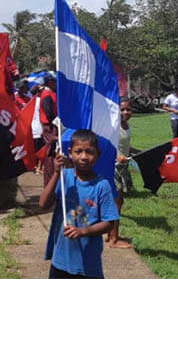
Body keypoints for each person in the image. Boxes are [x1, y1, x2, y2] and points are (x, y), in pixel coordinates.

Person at [39, 129, 119, 278]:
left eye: (89, 152)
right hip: (60, 259)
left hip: (87, 263)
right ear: (69, 152)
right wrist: (56, 173)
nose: (83, 157)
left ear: (98, 155)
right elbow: (43, 204)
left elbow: (109, 223)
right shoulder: (64, 178)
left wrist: (83, 231)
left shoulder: (102, 185)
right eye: (78, 151)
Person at [107, 99, 140, 248]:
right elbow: (107, 145)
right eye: (122, 110)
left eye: (128, 109)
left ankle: (110, 234)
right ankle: (114, 239)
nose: (125, 112)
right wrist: (116, 156)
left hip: (123, 167)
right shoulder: (114, 126)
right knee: (116, 202)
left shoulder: (126, 126)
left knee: (118, 201)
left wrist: (139, 152)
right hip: (113, 167)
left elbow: (124, 146)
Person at [39, 72, 59, 187]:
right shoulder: (46, 94)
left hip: (51, 126)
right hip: (49, 127)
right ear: (50, 82)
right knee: (50, 152)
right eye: (54, 81)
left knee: (52, 152)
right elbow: (48, 113)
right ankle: (49, 181)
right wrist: (55, 121)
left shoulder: (50, 93)